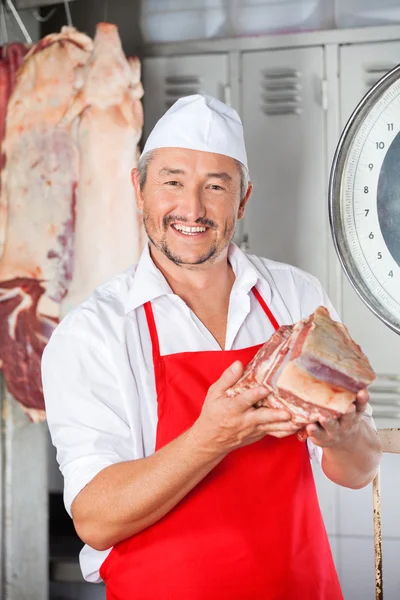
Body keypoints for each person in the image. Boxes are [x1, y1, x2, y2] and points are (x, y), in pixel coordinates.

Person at [42, 94, 382, 600]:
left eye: (216, 187)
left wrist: (344, 432)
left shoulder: (296, 297)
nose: (192, 209)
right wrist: (212, 436)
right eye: (172, 182)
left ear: (243, 200)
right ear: (139, 189)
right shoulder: (94, 332)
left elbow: (361, 470)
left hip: (300, 587)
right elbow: (95, 519)